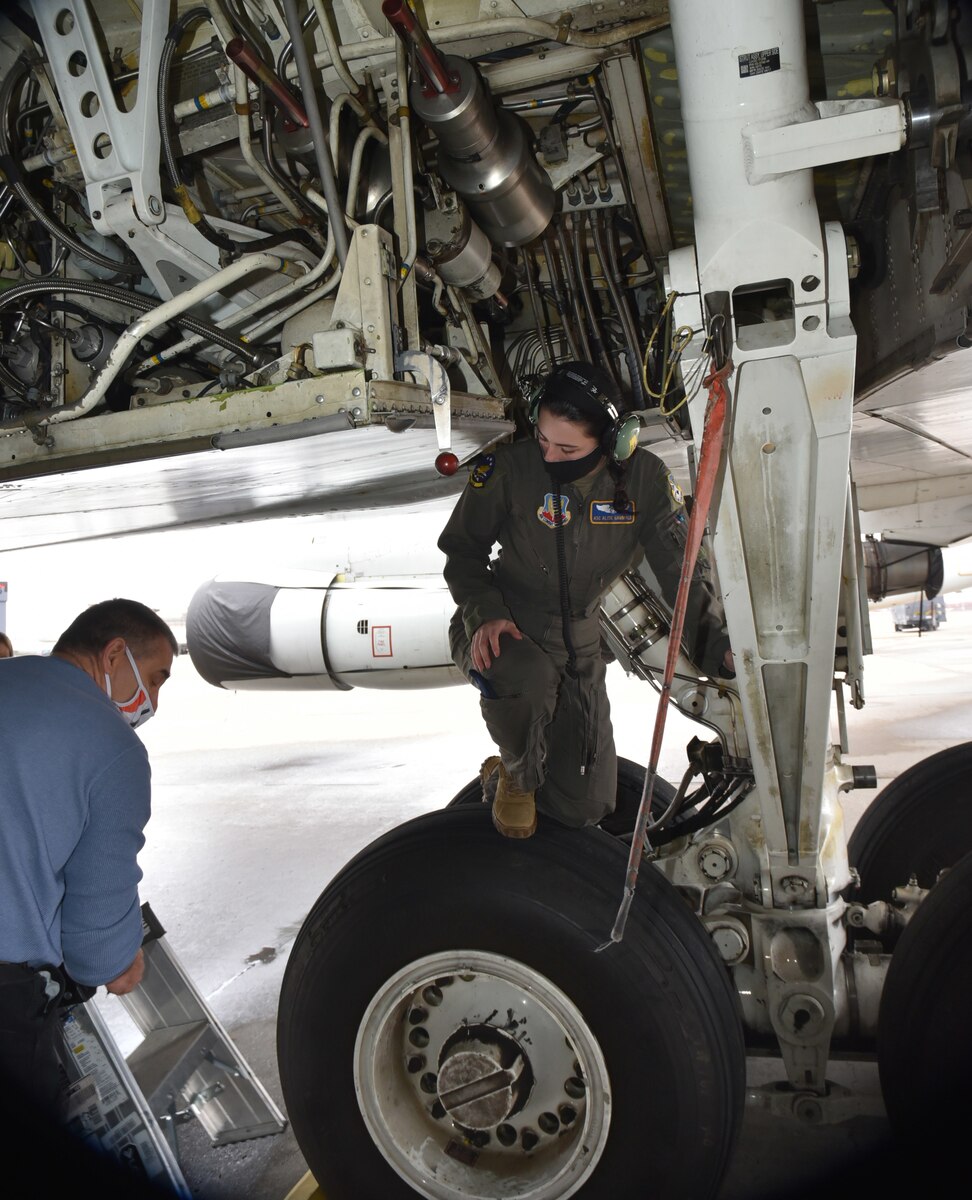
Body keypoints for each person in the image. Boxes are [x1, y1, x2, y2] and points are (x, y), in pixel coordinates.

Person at [438, 360, 732, 838]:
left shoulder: (645, 483)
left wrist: (716, 646)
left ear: (614, 441)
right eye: (544, 440)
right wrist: (484, 614)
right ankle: (516, 773)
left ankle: (514, 781)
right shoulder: (509, 469)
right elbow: (461, 550)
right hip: (500, 622)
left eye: (568, 447)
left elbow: (680, 574)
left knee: (586, 805)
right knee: (526, 676)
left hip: (578, 637)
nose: (551, 456)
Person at [0, 598, 176, 1118]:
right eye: (156, 678)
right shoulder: (112, 746)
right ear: (114, 654)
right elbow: (104, 961)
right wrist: (125, 956)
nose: (154, 702)